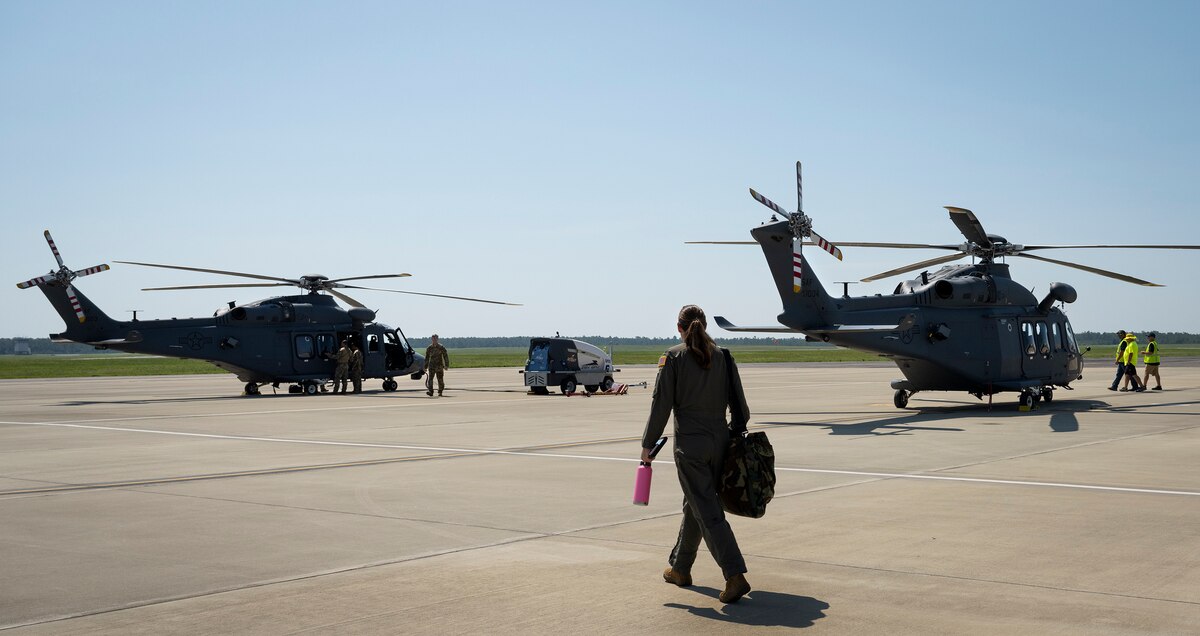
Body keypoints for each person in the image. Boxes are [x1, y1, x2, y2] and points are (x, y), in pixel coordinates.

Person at [640, 304, 751, 604]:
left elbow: (661, 404)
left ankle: (734, 574)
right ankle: (680, 568)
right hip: (721, 444)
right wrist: (733, 437)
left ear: (679, 327)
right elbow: (741, 407)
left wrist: (648, 444)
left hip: (691, 448)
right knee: (696, 504)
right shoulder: (724, 356)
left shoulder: (673, 357)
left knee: (708, 511)